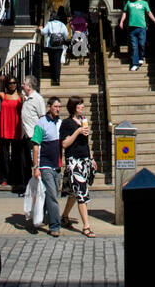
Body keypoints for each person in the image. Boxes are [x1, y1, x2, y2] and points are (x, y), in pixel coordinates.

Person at [60, 96, 97, 237]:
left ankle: (64, 216)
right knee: (81, 192)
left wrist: (91, 158)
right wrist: (77, 131)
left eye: (83, 105)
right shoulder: (67, 123)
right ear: (74, 107)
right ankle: (86, 226)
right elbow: (64, 144)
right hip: (73, 160)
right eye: (80, 105)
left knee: (73, 193)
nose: (82, 107)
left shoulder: (83, 121)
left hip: (84, 159)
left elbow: (86, 142)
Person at [30, 96, 65, 236]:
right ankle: (55, 225)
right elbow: (36, 146)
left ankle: (41, 216)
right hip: (45, 165)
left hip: (57, 164)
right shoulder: (41, 123)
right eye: (55, 106)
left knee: (51, 194)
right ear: (49, 106)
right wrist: (36, 167)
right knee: (52, 195)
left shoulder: (60, 123)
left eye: (59, 107)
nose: (58, 109)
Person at [0, 75, 24, 191]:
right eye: (10, 83)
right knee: (4, 155)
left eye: (14, 83)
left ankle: (15, 178)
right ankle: (5, 177)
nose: (12, 85)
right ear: (7, 85)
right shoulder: (3, 95)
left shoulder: (21, 97)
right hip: (5, 127)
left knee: (16, 155)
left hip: (16, 127)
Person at [120, 0, 155, 71]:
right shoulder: (128, 2)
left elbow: (149, 13)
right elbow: (124, 13)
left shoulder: (144, 3)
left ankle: (141, 56)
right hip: (131, 28)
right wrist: (121, 21)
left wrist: (154, 21)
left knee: (142, 44)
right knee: (134, 46)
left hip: (142, 28)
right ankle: (135, 64)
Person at [18, 76, 46, 194]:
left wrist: (39, 136)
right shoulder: (26, 98)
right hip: (25, 135)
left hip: (33, 135)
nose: (22, 85)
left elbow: (42, 117)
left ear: (29, 86)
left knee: (34, 162)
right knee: (25, 162)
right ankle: (27, 187)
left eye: (24, 83)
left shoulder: (37, 98)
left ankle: (36, 188)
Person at [42, 11, 69, 85]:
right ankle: (57, 79)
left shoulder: (49, 24)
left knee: (51, 61)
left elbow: (43, 32)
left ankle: (53, 76)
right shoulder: (62, 24)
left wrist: (40, 29)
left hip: (50, 46)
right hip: (59, 46)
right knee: (57, 62)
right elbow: (66, 35)